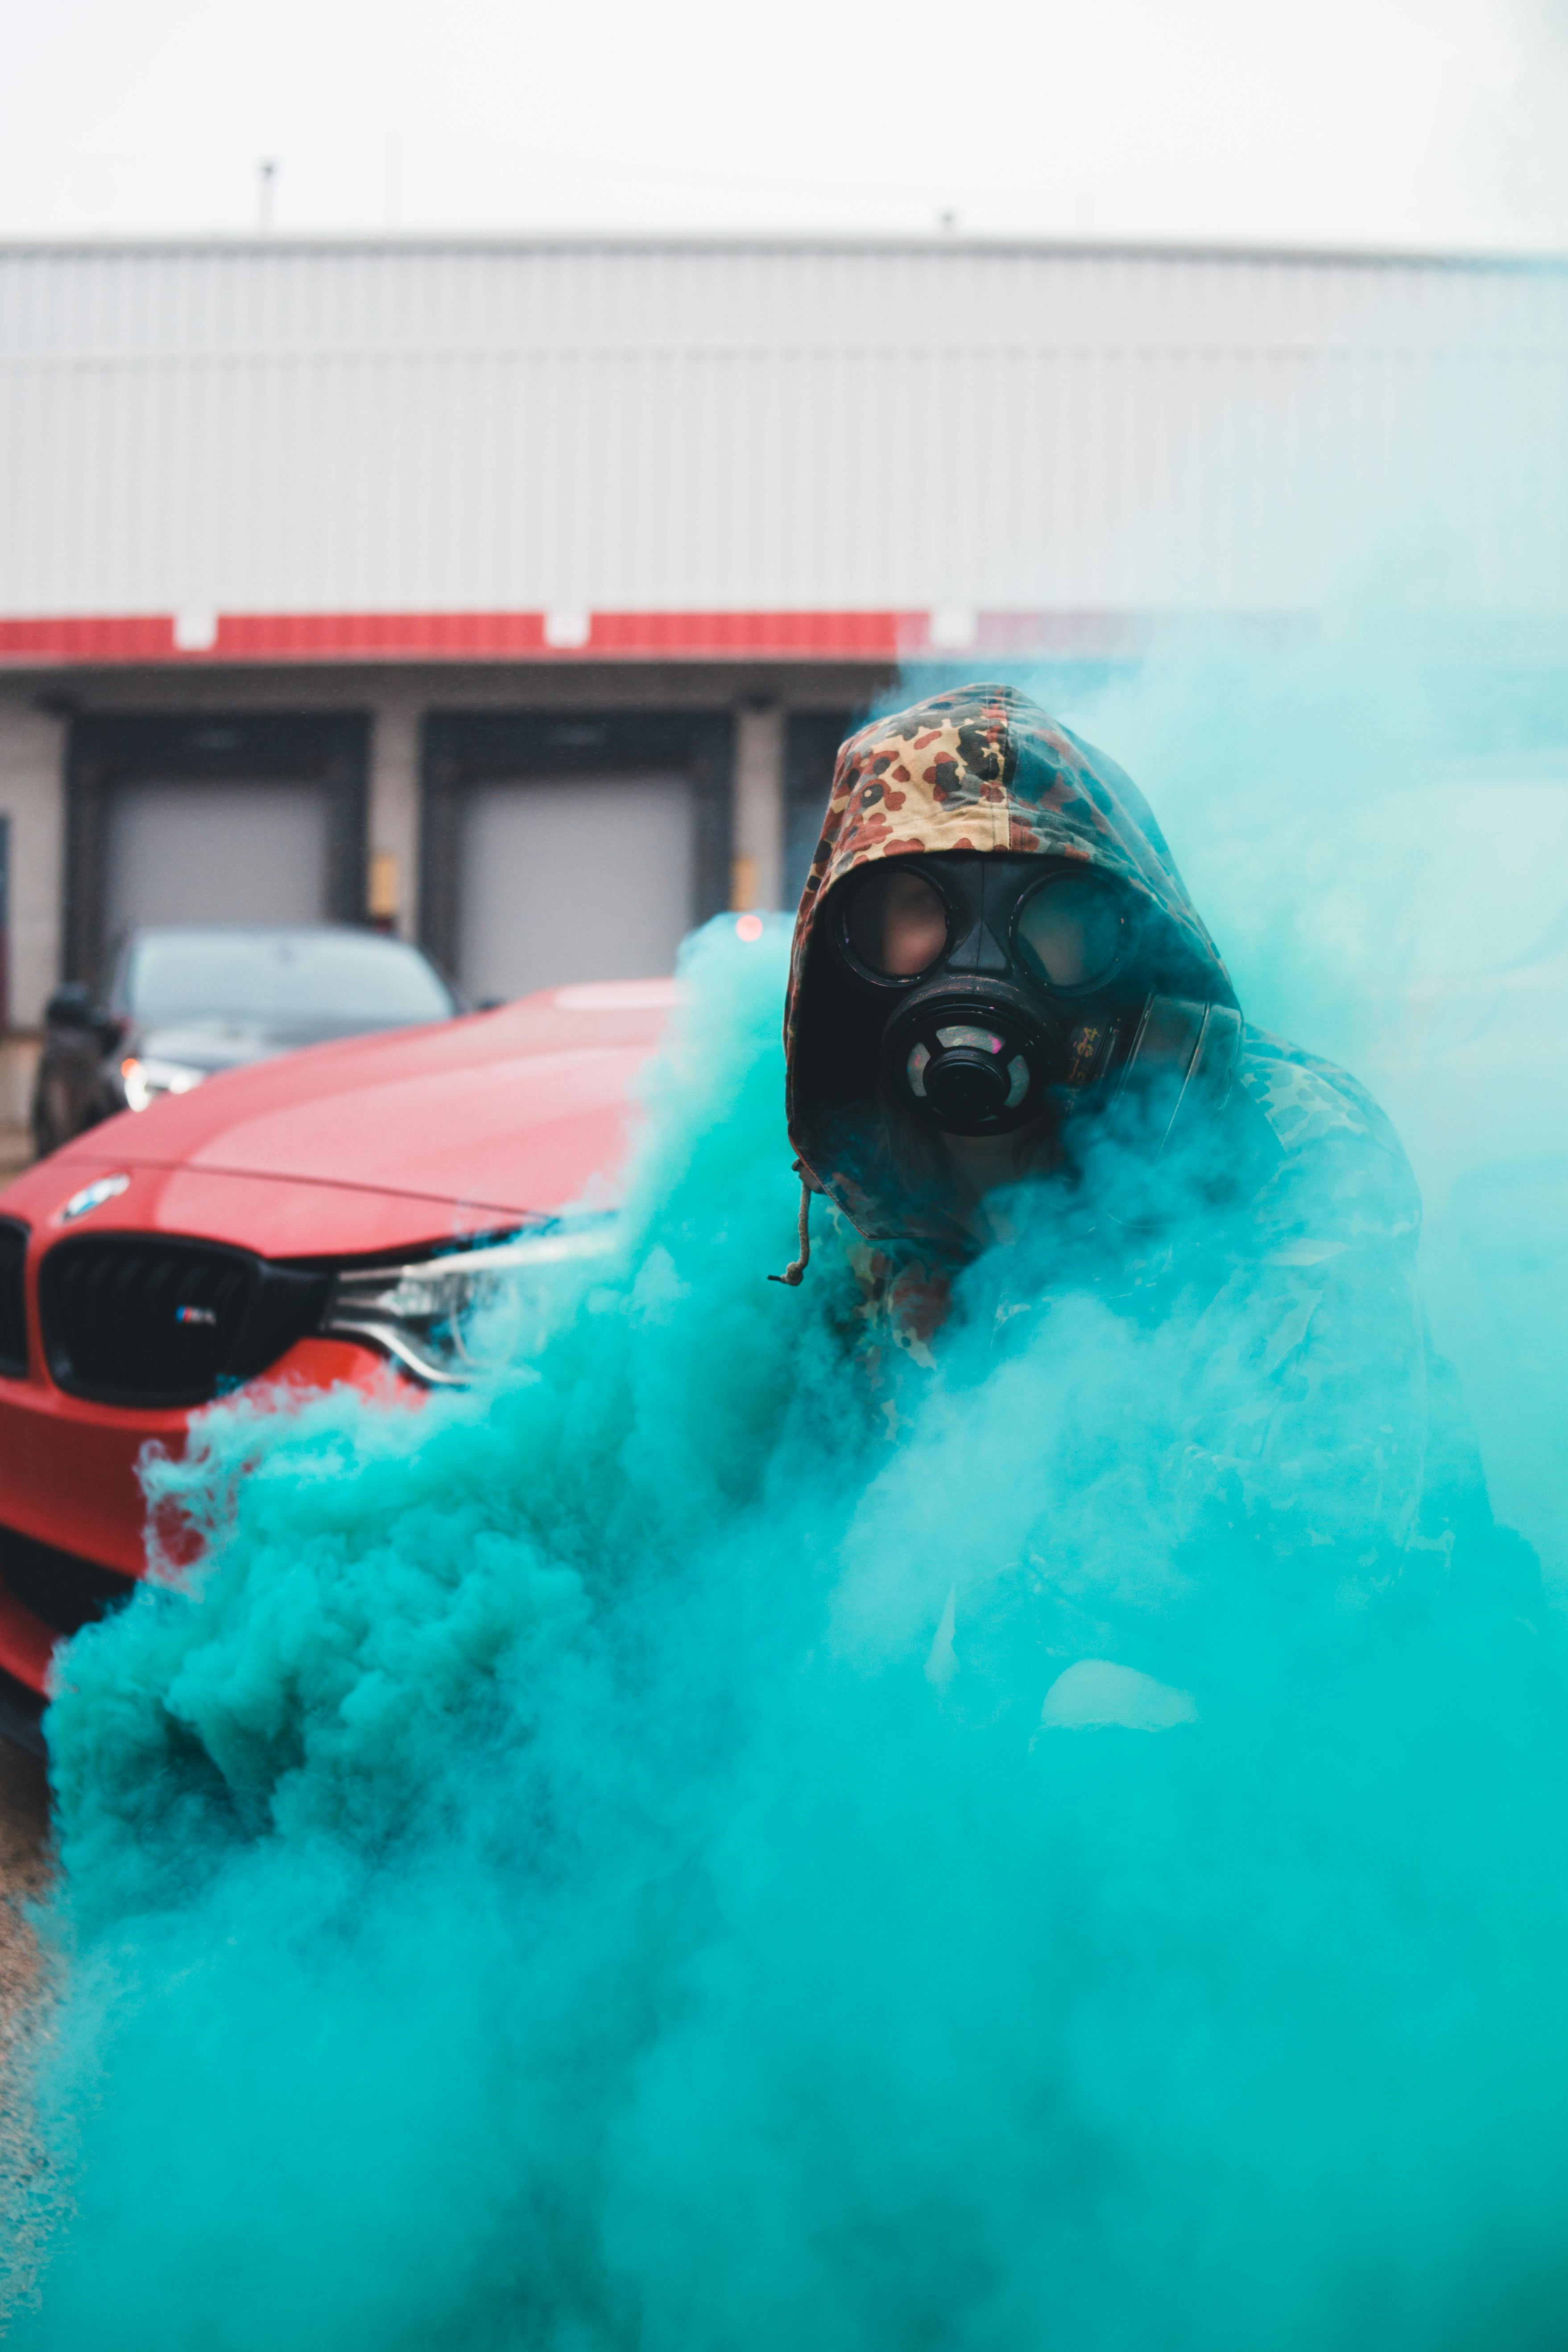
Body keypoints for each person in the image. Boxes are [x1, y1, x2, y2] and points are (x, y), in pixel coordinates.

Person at [778, 680, 1506, 1589]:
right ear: (856, 947)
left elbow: (1314, 1555)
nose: (979, 967)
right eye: (920, 908)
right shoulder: (873, 1184)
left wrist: (984, 1630)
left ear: (1120, 941)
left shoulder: (1272, 1142)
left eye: (1044, 913)